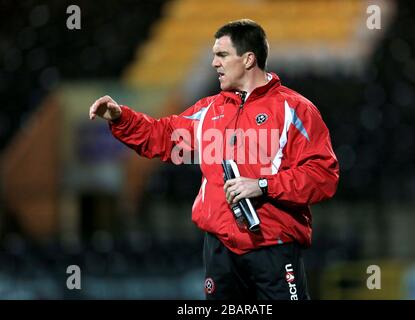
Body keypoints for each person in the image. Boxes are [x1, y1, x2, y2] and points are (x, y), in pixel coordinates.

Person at [89, 19, 339, 300]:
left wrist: (263, 185)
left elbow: (323, 176)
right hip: (220, 249)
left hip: (274, 248)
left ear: (248, 59)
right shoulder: (208, 111)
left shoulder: (295, 110)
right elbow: (161, 136)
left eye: (221, 55)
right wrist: (121, 117)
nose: (213, 63)